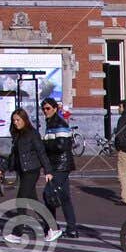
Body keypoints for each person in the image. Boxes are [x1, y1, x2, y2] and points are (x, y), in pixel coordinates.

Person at [4, 106, 54, 243]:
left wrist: (48, 171)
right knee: (34, 203)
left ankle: (18, 233)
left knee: (20, 201)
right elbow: (13, 156)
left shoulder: (32, 134)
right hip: (23, 171)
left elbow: (41, 152)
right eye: (14, 120)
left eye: (18, 120)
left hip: (31, 171)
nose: (15, 123)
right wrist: (1, 169)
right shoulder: (18, 135)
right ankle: (52, 228)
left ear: (24, 120)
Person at [39, 97, 80, 239]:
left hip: (61, 165)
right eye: (43, 109)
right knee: (64, 196)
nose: (45, 111)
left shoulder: (59, 123)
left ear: (55, 109)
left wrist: (44, 144)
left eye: (48, 108)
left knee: (48, 194)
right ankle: (72, 229)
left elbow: (62, 145)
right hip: (58, 164)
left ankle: (52, 228)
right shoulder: (50, 123)